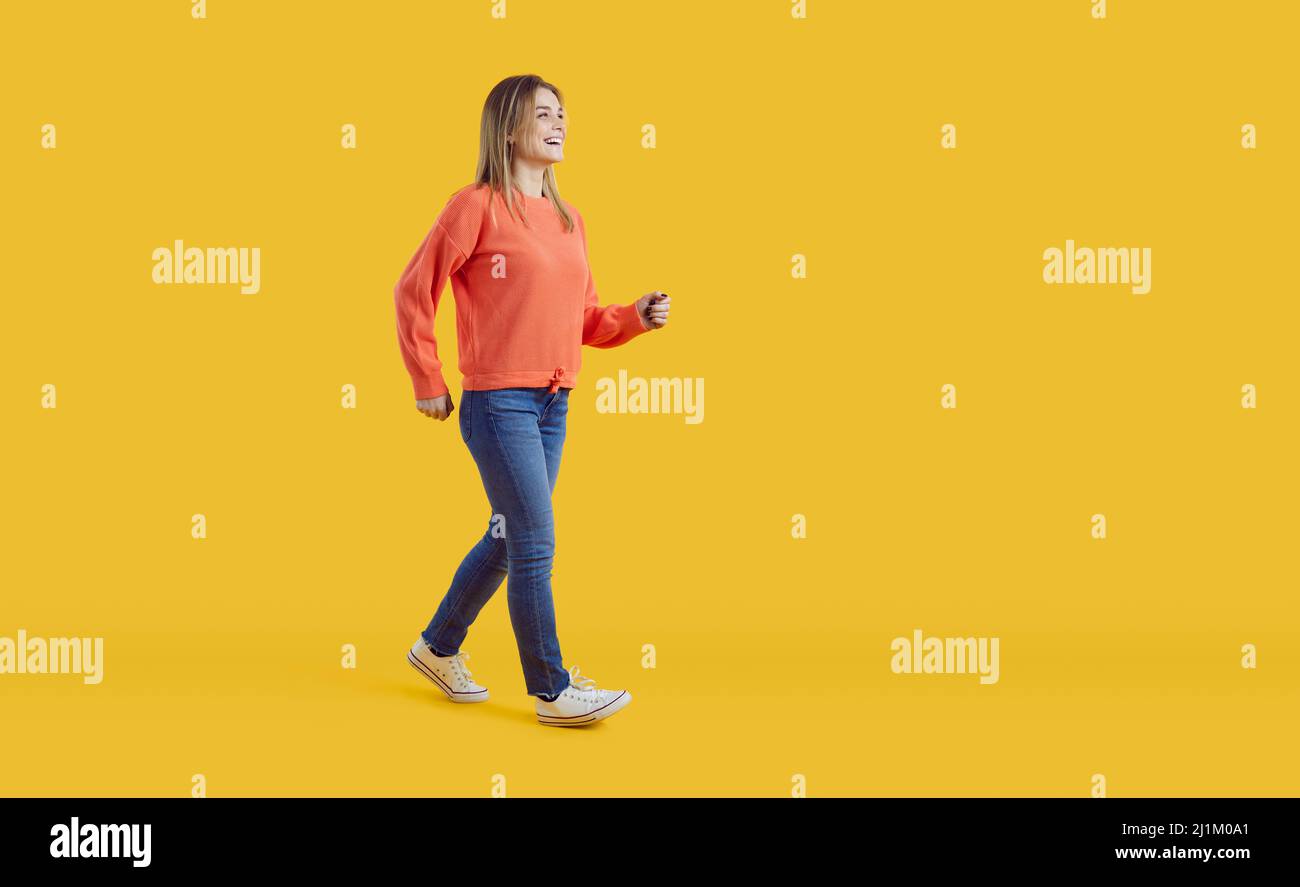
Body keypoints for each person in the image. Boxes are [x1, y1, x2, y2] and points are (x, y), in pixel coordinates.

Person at [393, 75, 671, 727]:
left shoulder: (570, 220)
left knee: (508, 533)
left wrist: (632, 316)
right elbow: (412, 289)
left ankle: (437, 644)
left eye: (563, 113)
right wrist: (428, 379)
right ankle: (552, 687)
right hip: (498, 404)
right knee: (535, 538)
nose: (559, 123)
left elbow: (583, 318)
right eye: (543, 113)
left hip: (553, 403)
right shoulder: (476, 206)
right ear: (509, 128)